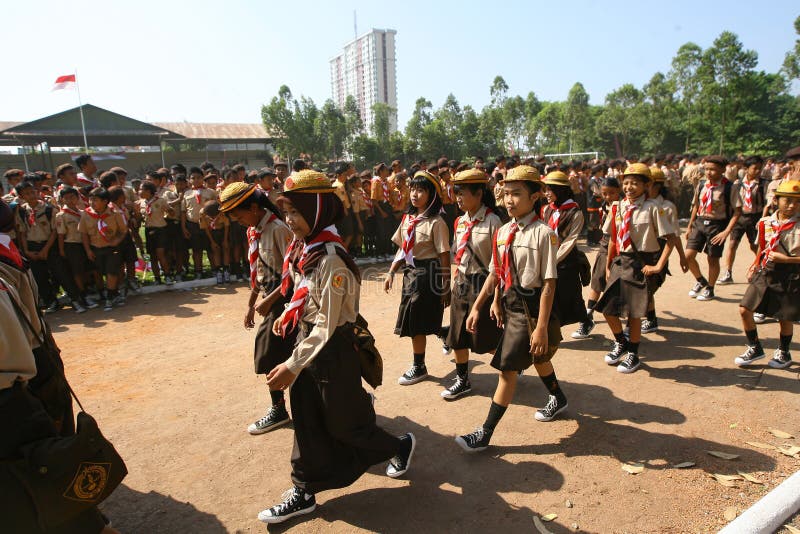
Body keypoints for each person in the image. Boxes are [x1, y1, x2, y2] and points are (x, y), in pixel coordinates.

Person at [258, 169, 415, 524]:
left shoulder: (330, 258)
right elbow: (304, 295)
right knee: (306, 419)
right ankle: (303, 490)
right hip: (308, 345)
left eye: (296, 213)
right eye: (287, 213)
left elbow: (328, 324)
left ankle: (399, 445)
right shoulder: (307, 247)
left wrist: (293, 365)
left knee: (345, 424)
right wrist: (286, 313)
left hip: (331, 351)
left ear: (317, 211)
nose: (290, 221)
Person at [455, 165, 566, 453]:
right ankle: (558, 396)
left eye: (517, 194)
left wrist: (541, 327)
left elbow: (549, 284)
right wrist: (482, 305)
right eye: (505, 194)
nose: (509, 200)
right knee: (537, 357)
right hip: (510, 302)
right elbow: (496, 273)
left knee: (507, 370)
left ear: (535, 197)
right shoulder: (504, 231)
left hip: (532, 305)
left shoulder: (544, 233)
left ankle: (485, 433)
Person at [218, 182, 296, 434]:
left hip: (286, 298)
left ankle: (280, 410)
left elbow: (294, 272)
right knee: (277, 355)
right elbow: (258, 271)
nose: (238, 221)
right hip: (269, 295)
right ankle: (280, 408)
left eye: (239, 215)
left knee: (270, 352)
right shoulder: (254, 231)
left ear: (253, 208)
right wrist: (251, 304)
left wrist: (269, 301)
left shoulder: (278, 229)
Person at [595, 164, 676, 373]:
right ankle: (620, 341)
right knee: (607, 308)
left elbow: (671, 238)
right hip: (619, 262)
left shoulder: (653, 208)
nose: (629, 187)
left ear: (646, 185)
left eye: (635, 183)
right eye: (627, 182)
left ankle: (633, 353)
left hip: (641, 264)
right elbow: (613, 237)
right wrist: (608, 264)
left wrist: (658, 265)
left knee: (634, 313)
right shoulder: (617, 207)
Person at [384, 171, 451, 385]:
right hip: (410, 273)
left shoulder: (436, 222)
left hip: (428, 273)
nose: (414, 194)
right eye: (412, 189)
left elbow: (443, 255)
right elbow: (403, 250)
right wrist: (391, 272)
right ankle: (445, 333)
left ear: (431, 195)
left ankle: (419, 366)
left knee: (414, 319)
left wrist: (445, 285)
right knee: (417, 317)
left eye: (420, 190)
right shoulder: (408, 219)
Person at [442, 168, 503, 400]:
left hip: (484, 284)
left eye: (463, 193)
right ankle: (462, 379)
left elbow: (499, 264)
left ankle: (510, 366)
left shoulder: (493, 221)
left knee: (485, 339)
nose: (458, 198)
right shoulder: (459, 221)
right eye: (456, 193)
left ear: (479, 194)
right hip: (463, 283)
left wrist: (496, 298)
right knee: (458, 335)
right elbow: (456, 252)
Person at [734, 179, 800, 370]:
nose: (791, 205)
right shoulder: (765, 223)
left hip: (791, 273)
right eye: (787, 200)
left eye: (796, 201)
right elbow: (762, 247)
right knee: (745, 309)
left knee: (784, 316)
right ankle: (754, 347)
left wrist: (786, 260)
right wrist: (755, 264)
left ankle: (784, 351)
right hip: (766, 270)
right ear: (776, 200)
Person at [684, 155, 740, 301]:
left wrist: (726, 231)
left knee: (712, 259)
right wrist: (690, 226)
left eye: (713, 170)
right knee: (688, 256)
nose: (709, 172)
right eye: (707, 169)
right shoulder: (702, 185)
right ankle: (700, 280)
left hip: (717, 225)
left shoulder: (730, 187)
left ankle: (710, 287)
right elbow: (696, 206)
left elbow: (737, 211)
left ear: (722, 170)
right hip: (700, 223)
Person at [572, 177, 621, 339]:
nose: (608, 196)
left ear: (618, 191)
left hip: (621, 247)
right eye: (605, 193)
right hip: (606, 244)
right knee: (597, 281)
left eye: (612, 193)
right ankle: (587, 319)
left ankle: (648, 318)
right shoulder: (604, 205)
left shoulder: (623, 207)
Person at [541, 171, 591, 330]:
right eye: (546, 189)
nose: (546, 193)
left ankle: (586, 321)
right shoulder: (547, 210)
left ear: (560, 190)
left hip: (566, 261)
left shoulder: (575, 212)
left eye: (550, 190)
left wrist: (554, 260)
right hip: (548, 258)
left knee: (571, 294)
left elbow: (570, 241)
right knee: (550, 295)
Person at [644, 167, 689, 333]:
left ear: (655, 185)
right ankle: (650, 318)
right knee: (642, 287)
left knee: (647, 287)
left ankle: (650, 319)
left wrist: (682, 258)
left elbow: (674, 236)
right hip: (643, 249)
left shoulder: (667, 207)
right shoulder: (640, 204)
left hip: (658, 250)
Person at [78, 187, 128, 311]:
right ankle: (114, 294)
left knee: (111, 271)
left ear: (105, 201)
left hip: (111, 248)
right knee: (100, 272)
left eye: (95, 200)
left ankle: (109, 298)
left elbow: (123, 230)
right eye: (90, 200)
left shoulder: (115, 213)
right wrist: (88, 250)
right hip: (96, 248)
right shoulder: (86, 214)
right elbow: (84, 233)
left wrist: (117, 240)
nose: (91, 203)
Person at [719, 156, 765, 285]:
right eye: (754, 168)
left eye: (759, 169)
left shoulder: (762, 184)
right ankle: (728, 272)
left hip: (755, 218)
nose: (758, 171)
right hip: (739, 217)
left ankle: (761, 268)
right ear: (746, 169)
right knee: (732, 244)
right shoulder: (737, 184)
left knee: (755, 245)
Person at [55, 186, 97, 309]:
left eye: (72, 197)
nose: (70, 200)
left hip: (85, 244)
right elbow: (61, 235)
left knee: (88, 270)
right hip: (72, 245)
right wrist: (62, 250)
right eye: (66, 198)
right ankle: (83, 295)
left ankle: (89, 291)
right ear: (62, 200)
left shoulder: (83, 213)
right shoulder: (61, 215)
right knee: (77, 272)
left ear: (77, 198)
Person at [181, 167, 217, 279]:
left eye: (199, 178)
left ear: (203, 178)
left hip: (208, 224)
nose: (196, 180)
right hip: (193, 225)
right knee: (196, 250)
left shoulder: (210, 192)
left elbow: (217, 207)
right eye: (193, 178)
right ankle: (198, 271)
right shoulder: (186, 193)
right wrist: (184, 228)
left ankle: (215, 270)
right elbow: (183, 212)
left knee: (210, 248)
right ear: (189, 180)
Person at [137, 181, 173, 285]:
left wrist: (171, 211)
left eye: (141, 189)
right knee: (152, 256)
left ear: (148, 191)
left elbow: (170, 212)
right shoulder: (141, 203)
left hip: (160, 230)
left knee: (161, 254)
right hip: (149, 230)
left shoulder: (161, 201)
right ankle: (157, 278)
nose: (139, 191)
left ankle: (167, 276)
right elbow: (141, 217)